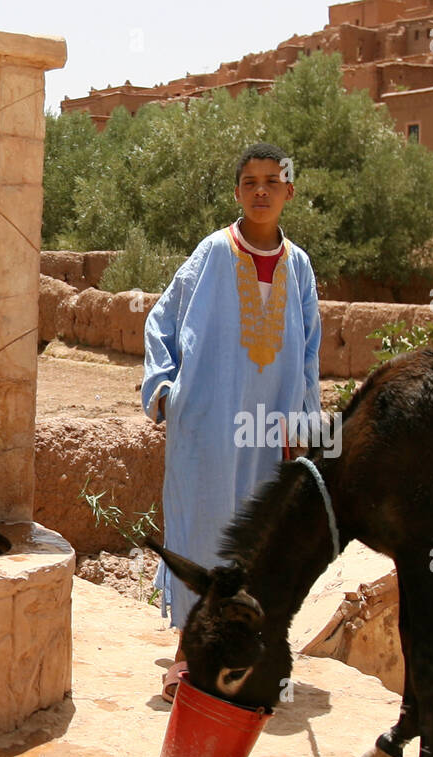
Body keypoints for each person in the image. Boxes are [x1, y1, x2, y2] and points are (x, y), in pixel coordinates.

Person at [141, 143, 322, 703]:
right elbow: (163, 318)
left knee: (258, 543)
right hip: (211, 423)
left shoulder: (301, 267)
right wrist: (165, 388)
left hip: (273, 430)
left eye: (272, 181)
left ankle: (240, 657)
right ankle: (186, 652)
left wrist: (308, 425)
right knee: (207, 529)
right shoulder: (214, 254)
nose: (261, 190)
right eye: (250, 181)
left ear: (290, 191)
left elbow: (311, 348)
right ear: (238, 191)